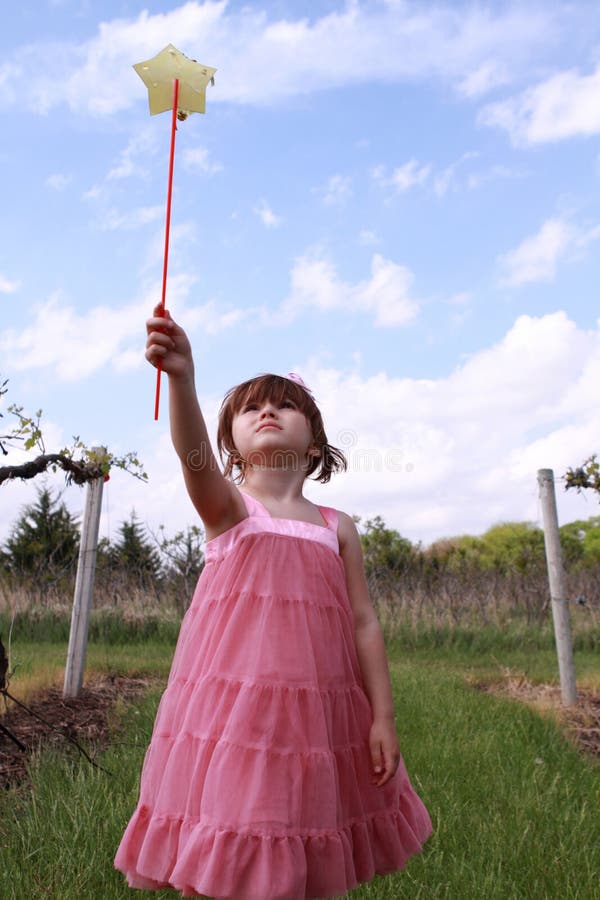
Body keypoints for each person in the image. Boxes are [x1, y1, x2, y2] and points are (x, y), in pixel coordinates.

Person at [114, 306, 432, 900]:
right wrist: (182, 378)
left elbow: (363, 622)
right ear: (230, 446)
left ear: (314, 444)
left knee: (312, 832)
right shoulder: (231, 510)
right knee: (226, 830)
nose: (267, 411)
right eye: (250, 407)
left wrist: (382, 716)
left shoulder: (338, 526)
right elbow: (192, 459)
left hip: (318, 715)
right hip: (233, 713)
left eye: (284, 405)